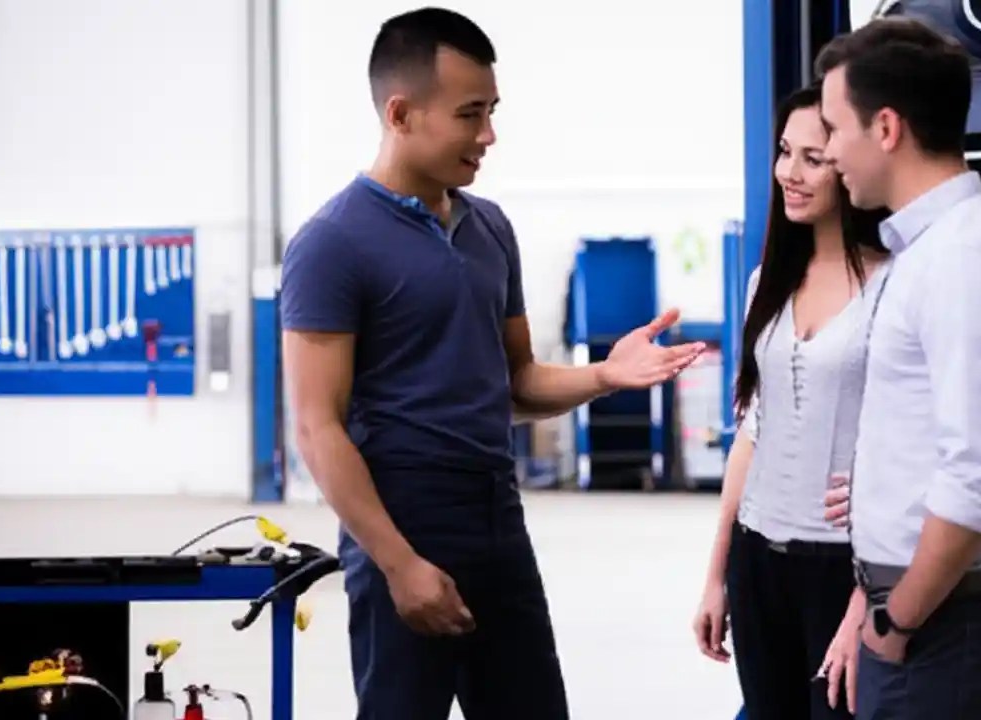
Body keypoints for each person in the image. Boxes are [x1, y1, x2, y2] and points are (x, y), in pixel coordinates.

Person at [279, 8, 705, 720]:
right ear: (400, 113)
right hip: (403, 515)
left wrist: (605, 374)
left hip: (497, 516)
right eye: (469, 114)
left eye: (492, 112)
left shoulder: (489, 229)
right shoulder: (332, 244)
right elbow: (317, 428)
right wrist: (398, 563)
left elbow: (517, 383)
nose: (488, 136)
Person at [814, 16, 981, 720]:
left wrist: (897, 622)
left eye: (834, 129)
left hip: (940, 615)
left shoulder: (962, 259)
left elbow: (980, 470)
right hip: (933, 605)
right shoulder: (934, 250)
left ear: (886, 128)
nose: (829, 152)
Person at [691, 83, 890, 720]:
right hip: (758, 560)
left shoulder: (895, 285)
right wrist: (717, 575)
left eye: (813, 158)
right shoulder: (765, 285)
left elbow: (912, 443)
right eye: (784, 152)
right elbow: (752, 434)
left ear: (849, 165)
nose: (789, 173)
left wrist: (868, 599)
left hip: (846, 564)